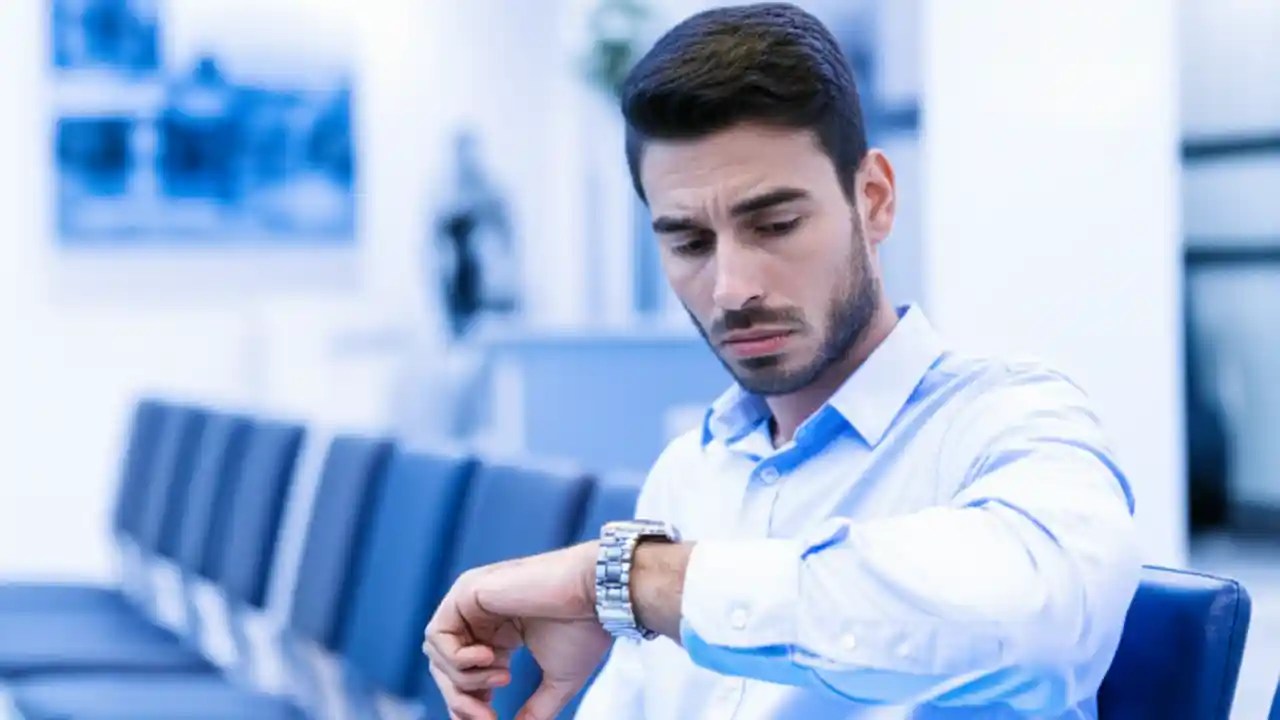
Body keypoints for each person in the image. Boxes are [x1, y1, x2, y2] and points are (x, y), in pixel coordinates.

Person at [422, 3, 1139, 719]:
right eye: (689, 243)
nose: (732, 289)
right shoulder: (689, 474)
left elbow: (1036, 623)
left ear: (875, 200)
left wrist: (627, 580)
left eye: (775, 225)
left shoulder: (1011, 420)